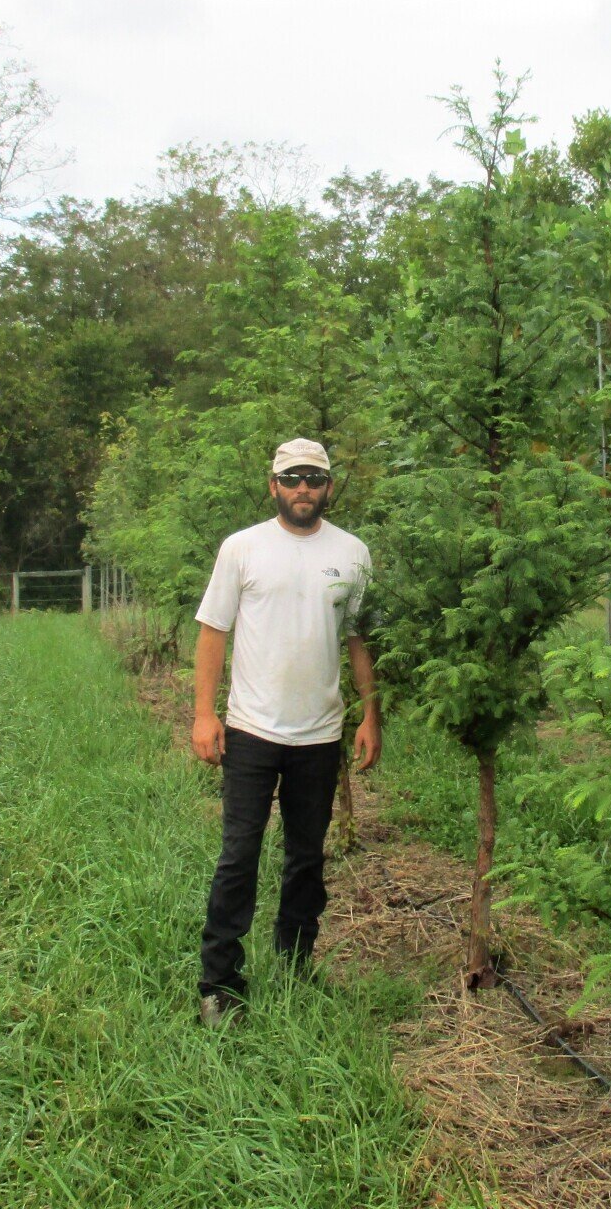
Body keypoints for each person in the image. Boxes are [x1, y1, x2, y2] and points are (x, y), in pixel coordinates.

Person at [191, 437, 379, 1025]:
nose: (304, 488)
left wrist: (371, 714)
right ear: (273, 484)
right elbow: (212, 633)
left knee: (306, 859)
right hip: (251, 731)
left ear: (329, 486)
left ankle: (297, 965)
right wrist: (203, 714)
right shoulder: (242, 549)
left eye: (314, 479)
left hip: (320, 736)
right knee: (238, 856)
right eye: (292, 478)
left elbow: (358, 640)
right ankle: (220, 983)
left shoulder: (353, 554)